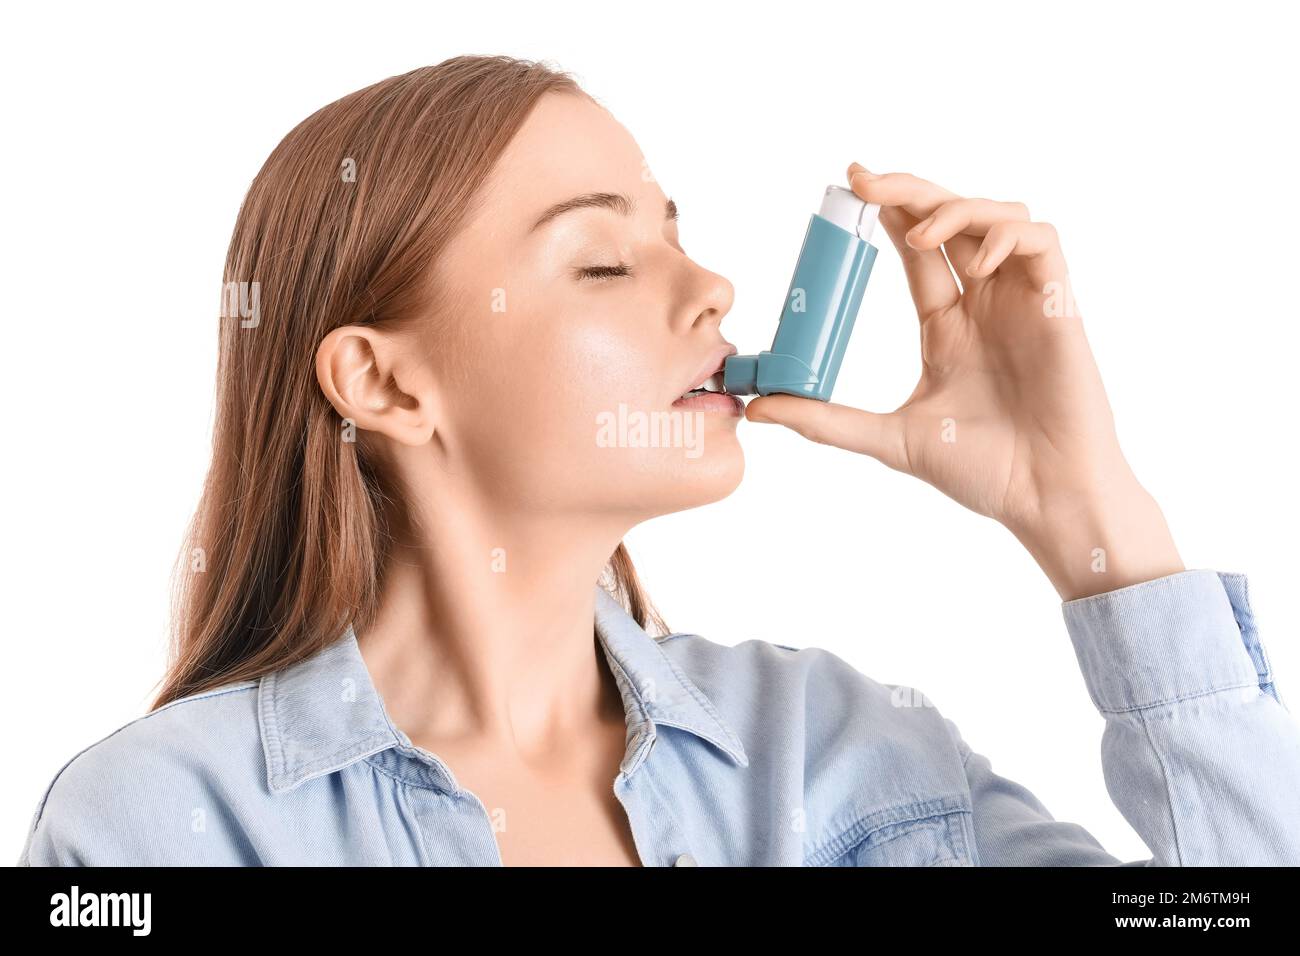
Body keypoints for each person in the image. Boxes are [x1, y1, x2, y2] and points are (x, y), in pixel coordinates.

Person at [18, 55, 1300, 866]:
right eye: (601, 260)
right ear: (386, 382)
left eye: (675, 231)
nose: (716, 287)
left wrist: (1090, 518)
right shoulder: (153, 827)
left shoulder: (841, 754)